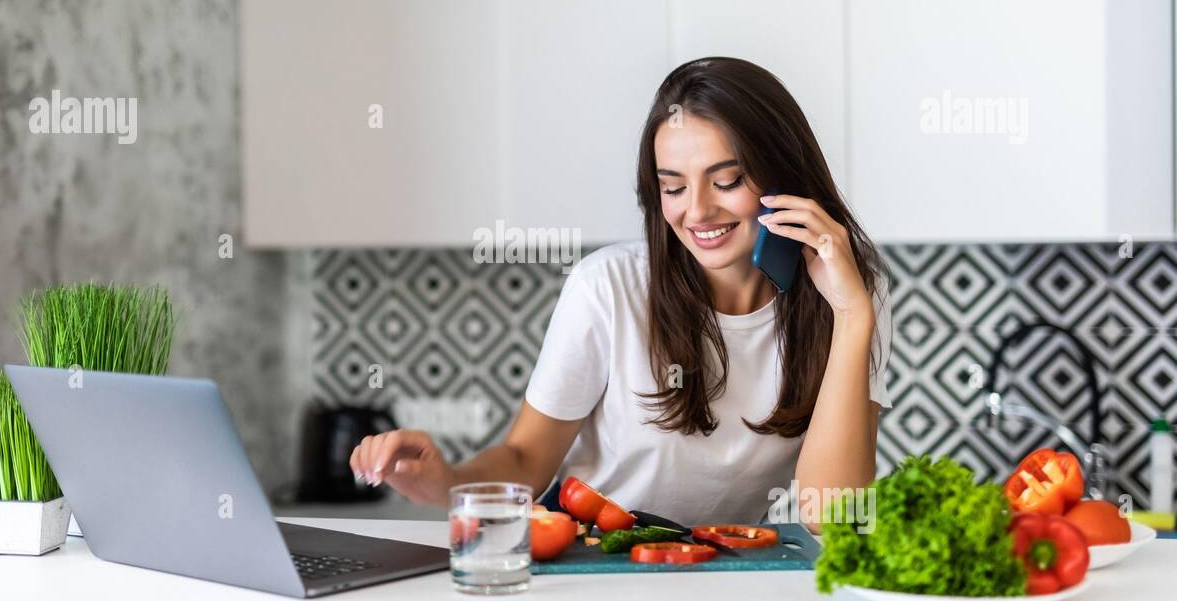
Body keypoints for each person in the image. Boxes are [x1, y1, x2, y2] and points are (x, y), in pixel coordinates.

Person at [350, 57, 892, 529]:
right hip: (591, 565)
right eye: (673, 186)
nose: (697, 211)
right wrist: (447, 483)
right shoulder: (607, 287)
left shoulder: (849, 292)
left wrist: (851, 316)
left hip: (722, 574)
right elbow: (524, 462)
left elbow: (834, 514)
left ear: (785, 180)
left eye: (726, 181)